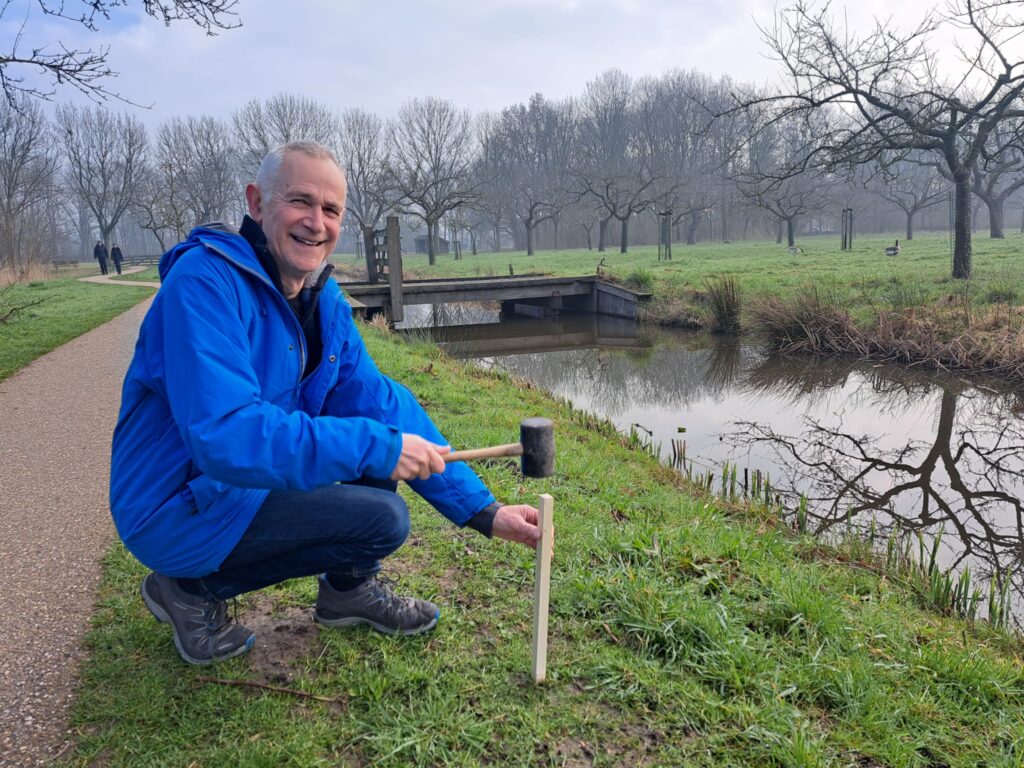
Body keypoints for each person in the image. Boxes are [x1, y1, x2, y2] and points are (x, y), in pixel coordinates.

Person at [110, 141, 542, 666]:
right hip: (176, 505)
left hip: (245, 483)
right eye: (300, 201)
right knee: (384, 515)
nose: (316, 223)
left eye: (331, 209)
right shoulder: (203, 284)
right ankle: (188, 587)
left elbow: (381, 404)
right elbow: (226, 435)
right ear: (257, 202)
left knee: (378, 442)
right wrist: (377, 446)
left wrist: (484, 513)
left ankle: (347, 591)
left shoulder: (321, 300)